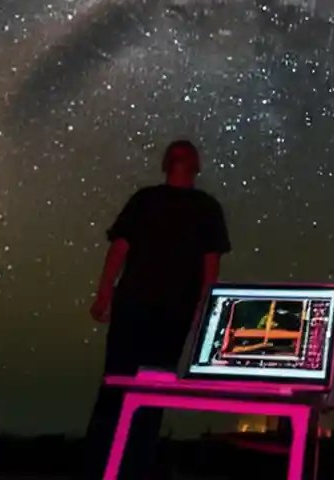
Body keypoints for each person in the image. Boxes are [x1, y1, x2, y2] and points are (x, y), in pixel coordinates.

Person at [84, 140, 231, 480]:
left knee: (142, 392)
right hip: (143, 309)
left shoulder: (201, 206)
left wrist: (203, 311)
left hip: (164, 313)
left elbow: (210, 264)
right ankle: (105, 467)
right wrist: (105, 293)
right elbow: (120, 248)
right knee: (123, 390)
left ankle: (128, 467)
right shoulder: (148, 200)